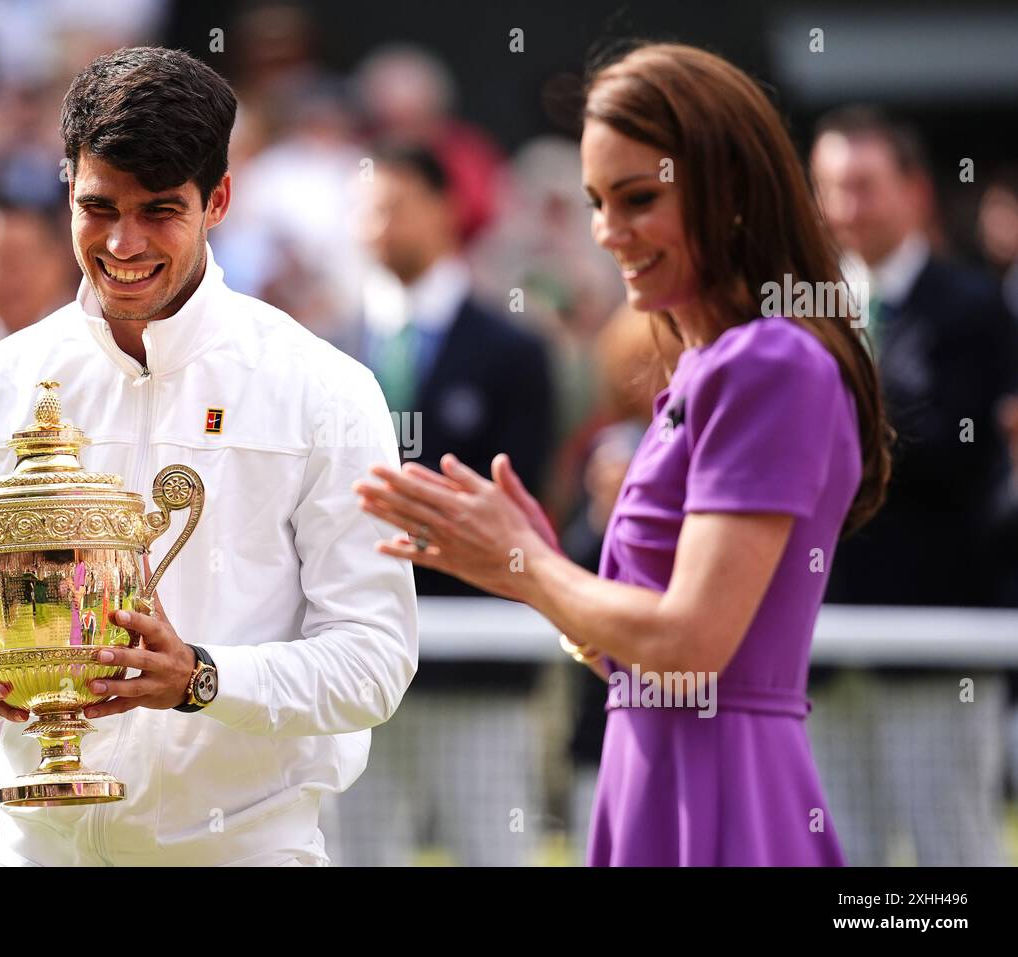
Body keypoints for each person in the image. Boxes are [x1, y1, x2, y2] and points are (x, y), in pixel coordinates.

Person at [355, 42, 893, 866]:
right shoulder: (711, 368)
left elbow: (691, 643)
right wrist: (522, 568)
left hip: (723, 788)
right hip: (656, 774)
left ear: (731, 190)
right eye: (596, 201)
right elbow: (650, 658)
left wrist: (527, 562)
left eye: (638, 197)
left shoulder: (766, 363)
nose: (609, 232)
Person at [0, 47, 417, 867]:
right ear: (67, 190)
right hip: (32, 849)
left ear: (217, 199)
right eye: (98, 206)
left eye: (159, 210)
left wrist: (201, 678)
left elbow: (374, 660)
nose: (122, 242)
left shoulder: (324, 389)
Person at [809, 107, 1018, 866]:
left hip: (939, 636)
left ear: (915, 191)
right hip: (823, 643)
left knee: (953, 850)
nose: (846, 207)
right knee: (837, 851)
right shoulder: (807, 309)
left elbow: (962, 453)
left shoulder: (975, 308)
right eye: (832, 188)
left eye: (864, 186)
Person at [334, 143, 553, 866]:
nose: (378, 225)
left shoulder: (513, 351)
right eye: (367, 209)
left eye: (394, 205)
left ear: (446, 208)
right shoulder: (325, 350)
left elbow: (511, 499)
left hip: (476, 670)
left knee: (494, 848)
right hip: (352, 661)